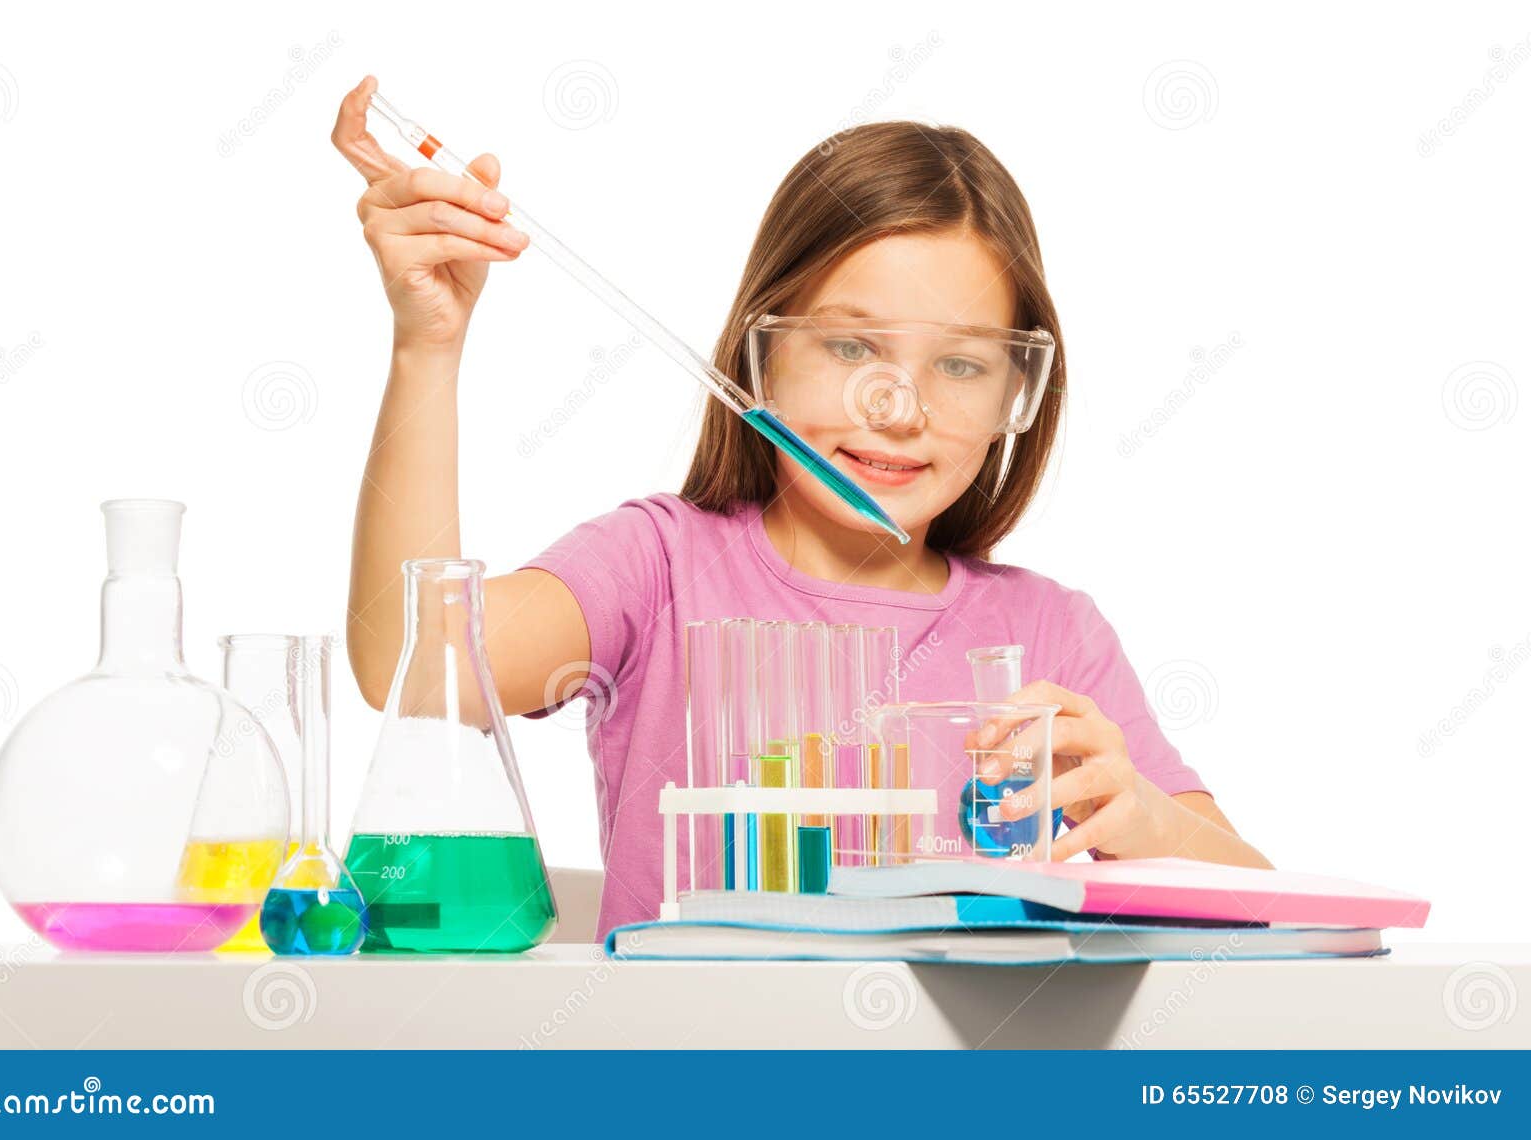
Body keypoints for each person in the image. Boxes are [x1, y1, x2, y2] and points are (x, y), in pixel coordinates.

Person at [331, 76, 1268, 938]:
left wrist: (1142, 820)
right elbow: (406, 664)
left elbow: (1266, 911)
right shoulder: (657, 570)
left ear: (1015, 397)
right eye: (853, 349)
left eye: (961, 365)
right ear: (760, 358)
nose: (898, 409)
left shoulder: (1050, 634)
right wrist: (429, 345)